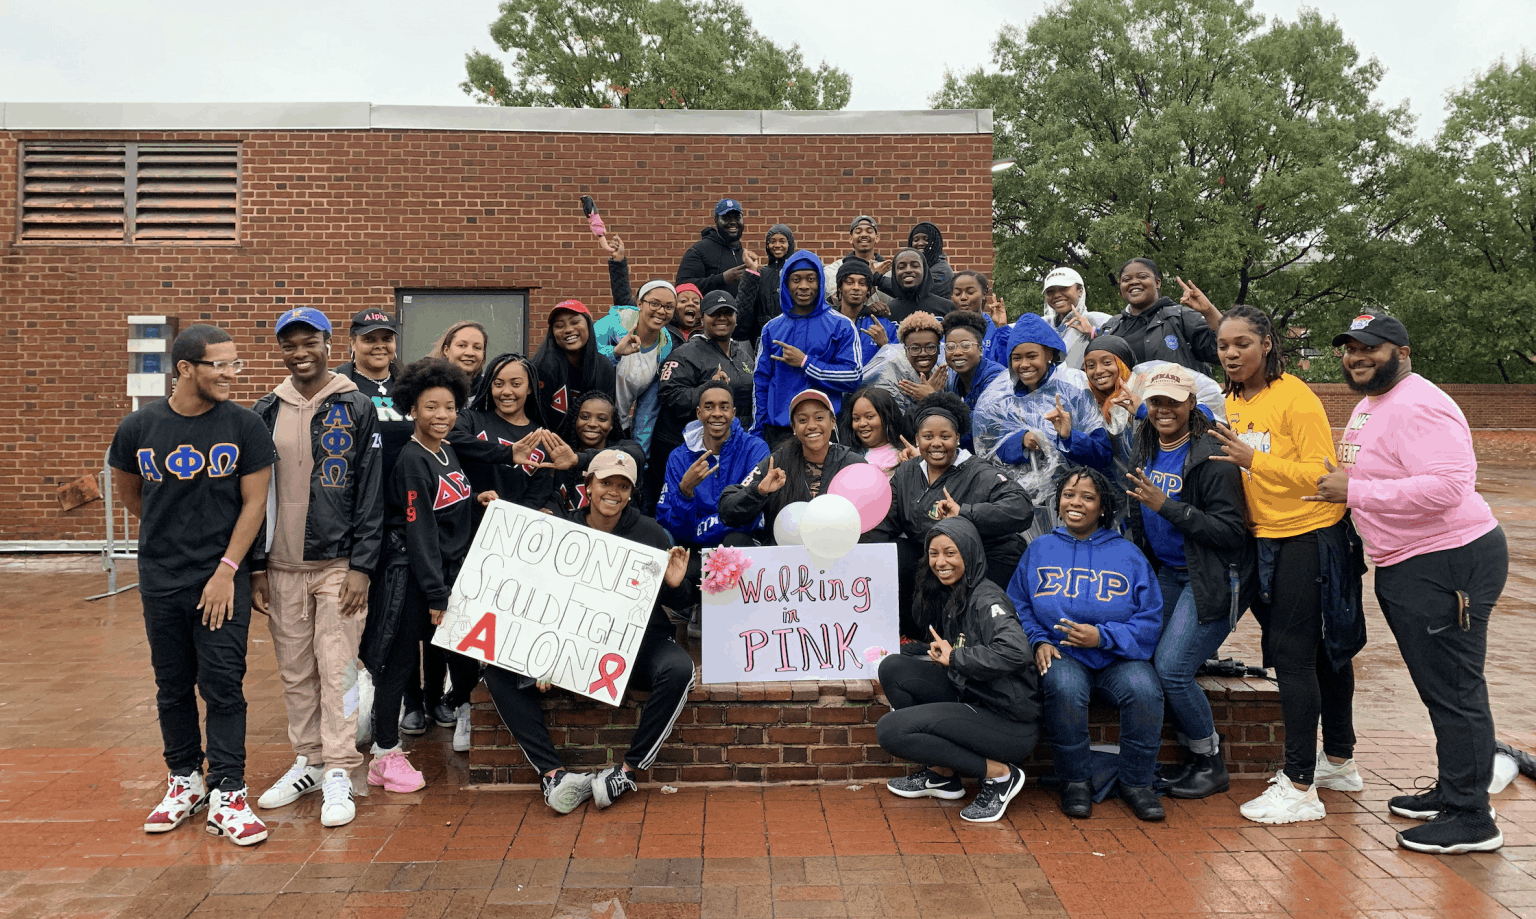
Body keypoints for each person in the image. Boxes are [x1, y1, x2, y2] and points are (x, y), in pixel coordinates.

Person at [1313, 313, 1508, 854]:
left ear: (1401, 351)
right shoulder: (1373, 403)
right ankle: (1454, 789)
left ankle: (1472, 817)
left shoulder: (1420, 403)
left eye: (1370, 348)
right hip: (1409, 560)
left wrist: (1354, 492)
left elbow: (1448, 486)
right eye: (1350, 349)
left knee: (1455, 690)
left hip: (1446, 559)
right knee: (1439, 687)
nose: (1357, 357)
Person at [109, 324, 275, 846]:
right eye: (219, 365)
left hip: (221, 579)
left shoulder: (246, 426)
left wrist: (227, 570)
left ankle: (229, 791)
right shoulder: (138, 427)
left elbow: (255, 504)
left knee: (223, 685)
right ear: (185, 369)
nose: (230, 374)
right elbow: (134, 498)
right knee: (171, 686)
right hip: (161, 580)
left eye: (235, 364)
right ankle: (184, 779)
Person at [1209, 305, 1366, 826]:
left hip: (1309, 533)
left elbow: (1323, 477)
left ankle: (1300, 785)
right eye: (1224, 345)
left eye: (1242, 345)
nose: (1231, 354)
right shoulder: (1229, 399)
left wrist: (1256, 461)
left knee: (1294, 656)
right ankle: (1338, 761)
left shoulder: (1295, 397)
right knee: (1315, 653)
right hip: (1262, 538)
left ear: (1267, 345)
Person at [482, 450, 694, 814]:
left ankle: (627, 772)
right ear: (589, 486)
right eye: (606, 482)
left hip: (638, 645)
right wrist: (545, 655)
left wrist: (675, 584)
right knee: (497, 669)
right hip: (573, 645)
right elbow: (542, 600)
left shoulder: (650, 532)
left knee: (680, 669)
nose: (613, 491)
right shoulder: (562, 528)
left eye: (623, 485)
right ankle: (553, 775)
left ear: (631, 492)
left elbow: (683, 602)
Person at [249, 308, 382, 830]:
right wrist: (257, 566)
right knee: (295, 669)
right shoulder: (263, 410)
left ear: (329, 343)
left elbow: (371, 490)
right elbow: (252, 494)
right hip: (281, 564)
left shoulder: (356, 405)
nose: (300, 352)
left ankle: (341, 769)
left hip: (337, 563)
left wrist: (362, 566)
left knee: (339, 667)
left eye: (310, 342)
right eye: (290, 345)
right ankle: (308, 760)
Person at [1121, 365, 1254, 800]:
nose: (1163, 410)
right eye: (1156, 401)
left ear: (1191, 404)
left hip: (1211, 578)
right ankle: (1187, 757)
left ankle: (1209, 761)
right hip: (1167, 573)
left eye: (1173, 402)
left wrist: (1166, 507)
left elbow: (1232, 531)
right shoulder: (1145, 444)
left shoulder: (1210, 455)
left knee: (1173, 670)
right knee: (1145, 659)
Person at [1010, 465, 1165, 822]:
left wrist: (1103, 636)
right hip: (1063, 653)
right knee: (1064, 688)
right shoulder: (1040, 548)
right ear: (1059, 502)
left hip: (1118, 657)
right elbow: (1017, 603)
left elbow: (1150, 617)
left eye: (1087, 497)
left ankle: (1137, 784)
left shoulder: (1128, 555)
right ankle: (1076, 781)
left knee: (1144, 690)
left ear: (1103, 507)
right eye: (1068, 495)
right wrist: (1037, 641)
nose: (1075, 503)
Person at [361, 358, 479, 795]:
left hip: (443, 577)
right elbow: (420, 531)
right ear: (413, 408)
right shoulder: (413, 459)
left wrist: (478, 501)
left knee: (444, 656)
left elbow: (448, 513)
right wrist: (435, 593)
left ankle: (407, 734)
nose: (442, 416)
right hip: (411, 579)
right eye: (431, 407)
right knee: (399, 662)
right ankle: (384, 753)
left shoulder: (446, 451)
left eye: (449, 407)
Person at [877, 518, 1038, 823]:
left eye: (950, 553)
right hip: (974, 694)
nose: (940, 562)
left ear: (970, 553)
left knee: (891, 730)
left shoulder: (986, 598)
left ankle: (1000, 775)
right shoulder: (955, 593)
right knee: (894, 667)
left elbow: (1017, 651)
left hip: (1007, 721)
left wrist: (956, 658)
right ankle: (941, 775)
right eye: (933, 554)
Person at [335, 307, 432, 734]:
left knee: (397, 622)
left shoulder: (407, 386)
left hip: (402, 520)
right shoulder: (338, 386)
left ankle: (398, 702)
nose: (379, 347)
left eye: (386, 338)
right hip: (356, 520)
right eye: (369, 338)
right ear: (352, 342)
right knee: (356, 621)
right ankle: (355, 705)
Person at [864, 392, 1033, 638]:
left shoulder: (978, 471)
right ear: (917, 439)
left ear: (957, 438)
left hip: (986, 557)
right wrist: (858, 553)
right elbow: (886, 520)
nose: (936, 443)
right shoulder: (908, 471)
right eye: (927, 436)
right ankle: (909, 635)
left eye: (945, 436)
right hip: (935, 555)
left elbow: (1022, 508)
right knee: (894, 553)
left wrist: (965, 513)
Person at [973, 316, 1110, 537]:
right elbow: (988, 450)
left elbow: (1102, 454)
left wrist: (1068, 438)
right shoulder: (999, 397)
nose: (1024, 365)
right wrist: (1021, 441)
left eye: (1031, 356)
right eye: (1016, 358)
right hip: (1024, 505)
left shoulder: (1074, 386)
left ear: (1050, 354)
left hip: (1077, 504)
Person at [657, 381, 771, 619]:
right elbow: (672, 526)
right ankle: (696, 607)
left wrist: (703, 530)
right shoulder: (679, 457)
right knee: (671, 566)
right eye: (709, 407)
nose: (716, 413)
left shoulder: (755, 449)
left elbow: (748, 516)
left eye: (724, 406)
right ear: (699, 413)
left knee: (735, 543)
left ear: (733, 412)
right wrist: (685, 492)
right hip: (695, 547)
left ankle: (729, 615)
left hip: (736, 542)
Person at [750, 249, 865, 447]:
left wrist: (806, 363)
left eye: (810, 279)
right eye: (796, 279)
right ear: (786, 284)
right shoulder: (772, 328)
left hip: (824, 431)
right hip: (779, 432)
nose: (803, 286)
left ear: (820, 282)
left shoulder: (842, 325)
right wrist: (758, 430)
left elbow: (853, 376)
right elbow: (761, 382)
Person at [719, 390, 867, 542]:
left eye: (819, 418)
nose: (811, 425)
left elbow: (873, 520)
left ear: (833, 422)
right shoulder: (775, 463)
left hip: (840, 555)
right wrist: (759, 491)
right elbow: (728, 511)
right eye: (802, 420)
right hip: (785, 560)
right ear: (794, 428)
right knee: (735, 540)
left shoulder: (853, 464)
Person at [657, 291, 756, 454]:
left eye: (728, 313)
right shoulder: (684, 354)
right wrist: (708, 388)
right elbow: (668, 396)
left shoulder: (742, 354)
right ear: (702, 319)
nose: (722, 318)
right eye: (715, 313)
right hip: (695, 448)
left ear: (736, 319)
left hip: (736, 444)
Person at [1097, 259, 1221, 374]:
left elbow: (1219, 353)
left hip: (1178, 396)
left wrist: (1209, 311)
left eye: (1142, 276)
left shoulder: (1180, 317)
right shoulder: (1111, 327)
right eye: (1126, 279)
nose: (1134, 282)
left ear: (1157, 283)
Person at [608, 280, 678, 465]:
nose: (661, 311)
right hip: (588, 424)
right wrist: (615, 353)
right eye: (654, 303)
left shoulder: (666, 345)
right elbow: (587, 360)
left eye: (669, 307)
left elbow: (648, 407)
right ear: (639, 303)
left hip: (619, 428)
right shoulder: (613, 323)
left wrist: (640, 455)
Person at [532, 300, 617, 442]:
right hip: (549, 445)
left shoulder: (603, 367)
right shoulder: (544, 367)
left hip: (589, 446)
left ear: (588, 325)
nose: (568, 329)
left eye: (575, 322)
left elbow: (606, 416)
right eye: (559, 325)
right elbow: (536, 418)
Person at [549, 392, 647, 513]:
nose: (592, 424)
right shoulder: (562, 453)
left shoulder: (626, 447)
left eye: (602, 419)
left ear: (611, 424)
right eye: (584, 417)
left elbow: (634, 456)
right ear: (575, 420)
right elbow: (552, 499)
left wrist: (578, 460)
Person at [1079, 335, 1141, 483]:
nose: (1098, 371)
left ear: (1123, 364)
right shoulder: (1087, 401)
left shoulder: (1142, 393)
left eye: (1107, 362)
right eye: (1091, 366)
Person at [939, 310, 1007, 442]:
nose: (957, 352)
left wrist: (936, 398)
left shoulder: (996, 377)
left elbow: (985, 427)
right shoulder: (953, 379)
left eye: (965, 346)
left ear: (981, 350)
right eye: (950, 347)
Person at [863, 311, 945, 416]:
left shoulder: (940, 371)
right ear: (905, 349)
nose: (923, 353)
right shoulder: (888, 377)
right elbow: (895, 424)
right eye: (915, 348)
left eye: (930, 347)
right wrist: (929, 399)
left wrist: (933, 396)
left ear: (939, 349)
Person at [735, 224, 796, 345]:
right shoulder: (761, 273)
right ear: (767, 245)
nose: (777, 245)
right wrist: (751, 271)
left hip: (790, 336)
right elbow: (744, 306)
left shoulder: (795, 274)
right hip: (761, 337)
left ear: (790, 244)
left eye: (782, 241)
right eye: (773, 241)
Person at [1039, 267, 1110, 370]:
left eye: (1064, 288)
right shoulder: (1043, 324)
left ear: (1080, 291)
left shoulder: (1098, 320)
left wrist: (1093, 332)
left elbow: (1125, 342)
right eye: (1050, 291)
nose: (1056, 295)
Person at [837, 385, 912, 478]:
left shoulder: (902, 457)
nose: (862, 424)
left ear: (887, 417)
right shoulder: (843, 454)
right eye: (856, 419)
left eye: (869, 417)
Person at [676, 198, 746, 297]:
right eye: (726, 218)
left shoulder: (742, 253)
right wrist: (722, 279)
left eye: (737, 217)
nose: (733, 222)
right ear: (716, 220)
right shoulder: (699, 250)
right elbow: (681, 286)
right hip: (712, 312)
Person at [877, 223, 953, 300]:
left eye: (926, 239)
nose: (920, 243)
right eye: (916, 240)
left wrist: (878, 279)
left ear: (935, 242)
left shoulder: (942, 271)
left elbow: (916, 291)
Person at [822, 215, 887, 305]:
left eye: (869, 231)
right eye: (858, 231)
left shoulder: (888, 270)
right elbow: (837, 300)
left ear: (877, 238)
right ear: (851, 239)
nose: (864, 235)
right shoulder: (833, 270)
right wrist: (872, 279)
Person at [833, 259, 897, 347]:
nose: (856, 287)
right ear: (840, 287)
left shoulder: (884, 326)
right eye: (849, 282)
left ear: (868, 290)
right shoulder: (827, 321)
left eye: (862, 283)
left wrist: (884, 344)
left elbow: (899, 358)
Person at [881, 247, 953, 323]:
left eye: (915, 266)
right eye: (901, 267)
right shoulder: (888, 312)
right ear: (894, 273)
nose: (908, 270)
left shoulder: (947, 308)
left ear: (924, 270)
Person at [427, 320, 489, 391]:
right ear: (446, 350)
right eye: (461, 345)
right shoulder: (426, 387)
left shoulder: (491, 390)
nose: (470, 353)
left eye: (477, 347)